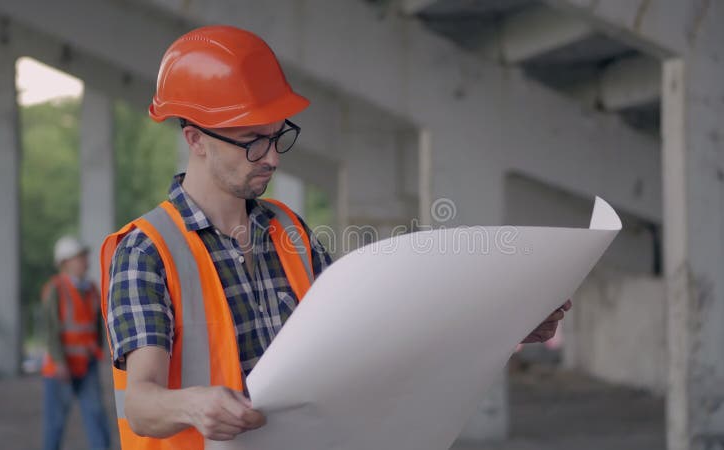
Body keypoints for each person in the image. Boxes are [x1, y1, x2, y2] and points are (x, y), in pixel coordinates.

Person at [101, 25, 570, 449]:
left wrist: (506, 326)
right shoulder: (146, 252)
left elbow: (375, 330)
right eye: (251, 141)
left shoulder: (289, 232)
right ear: (195, 138)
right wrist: (192, 406)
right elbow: (141, 404)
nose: (272, 158)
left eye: (277, 135)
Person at [42, 236, 110, 450]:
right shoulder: (55, 289)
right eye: (79, 257)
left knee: (96, 417)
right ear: (64, 263)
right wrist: (60, 362)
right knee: (55, 424)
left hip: (86, 364)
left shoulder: (90, 288)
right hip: (61, 368)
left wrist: (100, 348)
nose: (85, 261)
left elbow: (97, 322)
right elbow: (51, 330)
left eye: (84, 256)